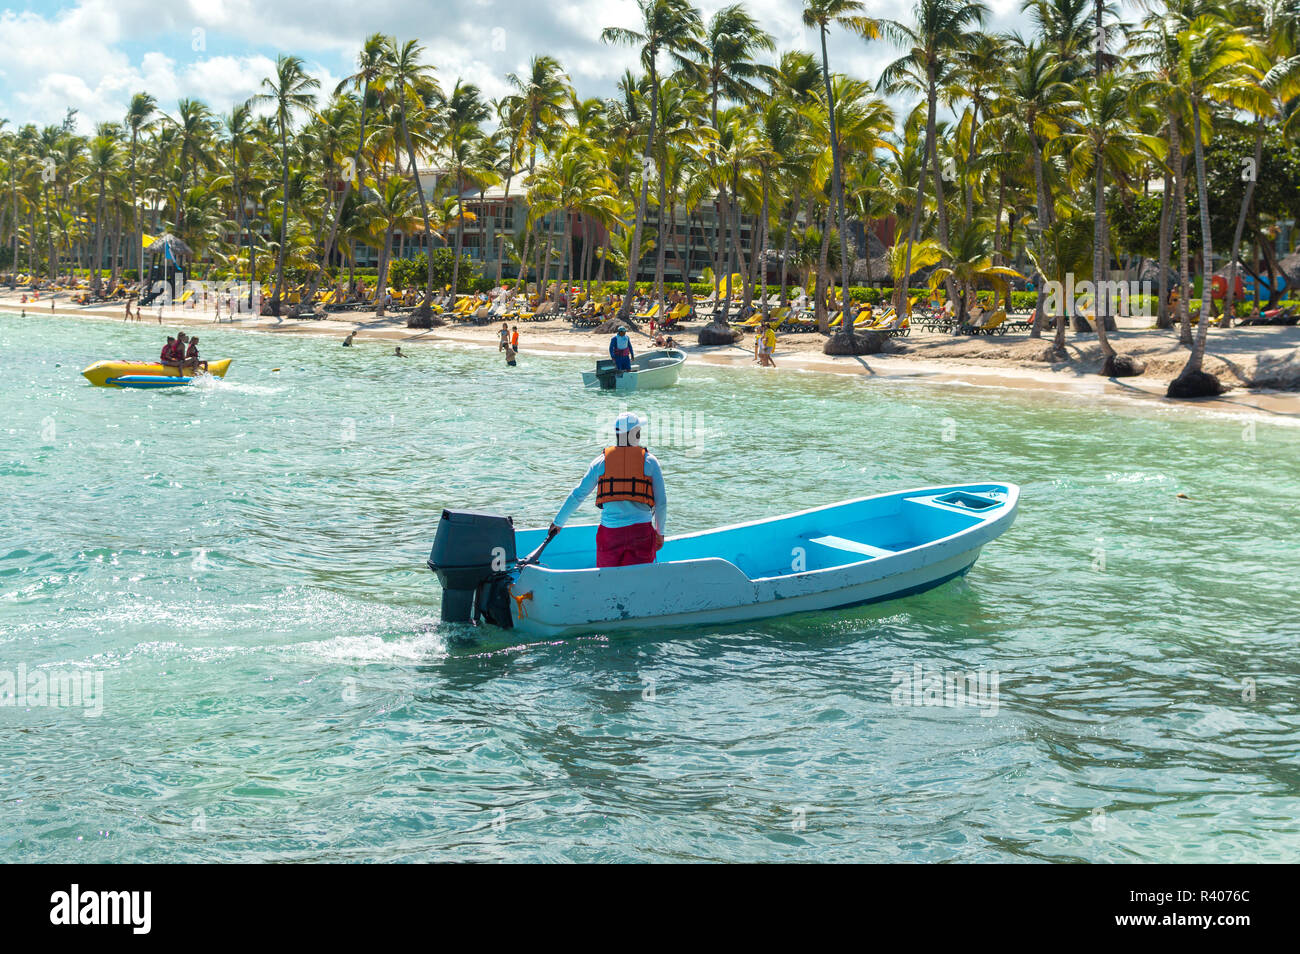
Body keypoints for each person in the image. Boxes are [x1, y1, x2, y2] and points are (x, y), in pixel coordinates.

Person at [549, 412, 667, 568]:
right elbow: (661, 503)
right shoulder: (650, 461)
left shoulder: (600, 462)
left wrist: (558, 522)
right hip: (641, 532)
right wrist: (660, 533)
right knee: (638, 580)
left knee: (607, 579)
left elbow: (578, 495)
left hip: (610, 533)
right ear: (636, 434)